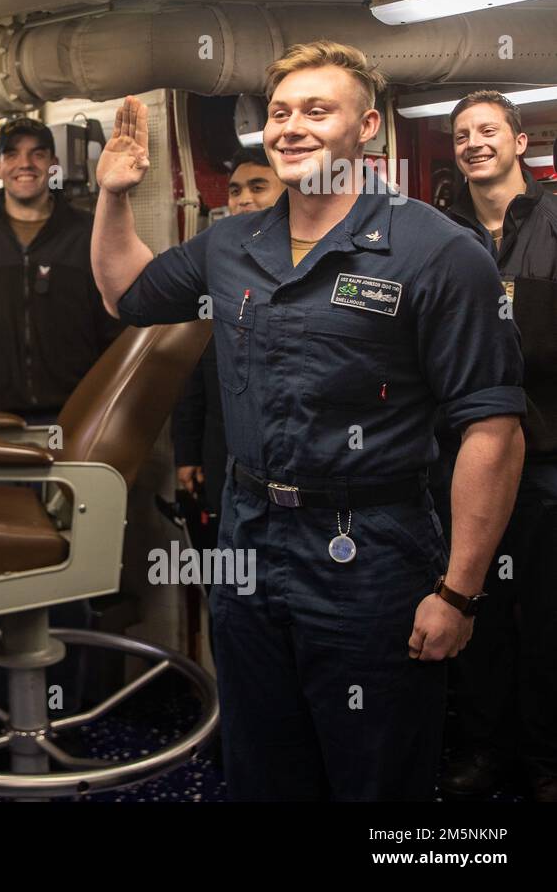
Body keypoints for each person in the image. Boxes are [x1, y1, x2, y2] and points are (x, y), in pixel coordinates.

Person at [92, 40, 526, 801]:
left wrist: (458, 591)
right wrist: (115, 197)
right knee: (262, 767)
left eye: (317, 111)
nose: (290, 127)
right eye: (281, 113)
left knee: (376, 774)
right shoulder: (232, 242)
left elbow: (493, 429)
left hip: (374, 551)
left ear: (367, 132)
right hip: (250, 538)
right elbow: (127, 295)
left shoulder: (437, 252)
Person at [441, 90, 557, 802]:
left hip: (547, 457)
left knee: (549, 615)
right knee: (472, 605)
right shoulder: (437, 230)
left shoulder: (553, 216)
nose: (474, 142)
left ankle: (546, 758)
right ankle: (484, 749)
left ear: (519, 141)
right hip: (463, 458)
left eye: (488, 130)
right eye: (461, 134)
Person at [0, 115, 120, 422]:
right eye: (12, 154)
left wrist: (107, 412)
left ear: (54, 164)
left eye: (37, 154)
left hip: (75, 417)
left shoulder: (91, 235)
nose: (25, 163)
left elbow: (115, 335)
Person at [173, 147, 285, 551]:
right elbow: (191, 369)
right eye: (235, 191)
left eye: (258, 187)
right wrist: (187, 452)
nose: (243, 199)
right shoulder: (213, 268)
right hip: (224, 452)